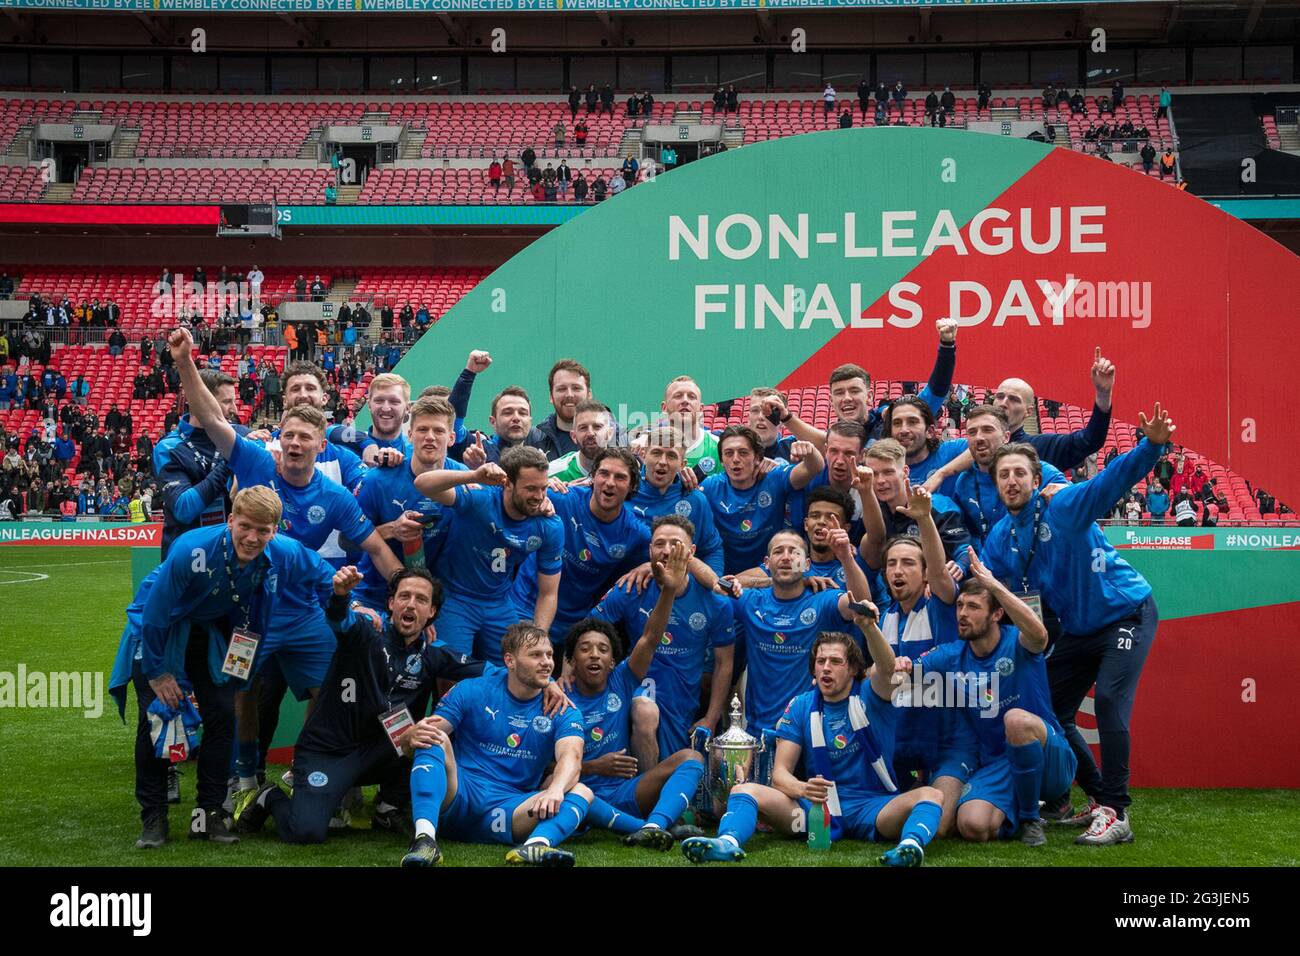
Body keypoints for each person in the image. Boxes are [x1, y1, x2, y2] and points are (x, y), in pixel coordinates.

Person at [235, 566, 544, 844]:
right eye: (404, 596)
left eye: (421, 600)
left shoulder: (433, 654)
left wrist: (548, 680)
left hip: (381, 751)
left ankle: (388, 807)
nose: (411, 604)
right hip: (330, 751)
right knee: (306, 832)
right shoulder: (366, 633)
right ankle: (270, 797)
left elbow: (495, 670)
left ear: (432, 611)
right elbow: (340, 621)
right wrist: (341, 595)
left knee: (426, 734)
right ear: (391, 604)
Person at [981, 403, 1174, 845]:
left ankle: (1118, 813)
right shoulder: (1001, 537)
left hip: (1126, 613)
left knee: (1107, 700)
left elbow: (1112, 481)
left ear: (1036, 480)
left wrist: (1152, 445)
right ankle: (1098, 800)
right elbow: (985, 583)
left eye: (1019, 474)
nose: (1011, 481)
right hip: (1079, 631)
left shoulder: (1064, 505)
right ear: (996, 485)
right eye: (1003, 475)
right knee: (1050, 706)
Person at [107, 486, 332, 849]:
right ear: (230, 520)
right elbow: (155, 614)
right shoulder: (190, 549)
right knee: (158, 718)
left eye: (264, 530)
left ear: (276, 530)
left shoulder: (281, 553)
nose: (253, 537)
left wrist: (350, 602)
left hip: (211, 637)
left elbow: (309, 585)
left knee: (223, 714)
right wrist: (158, 672)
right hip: (160, 634)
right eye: (245, 526)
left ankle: (208, 813)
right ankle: (153, 816)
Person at [681, 624, 943, 867]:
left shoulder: (872, 695)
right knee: (744, 790)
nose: (826, 668)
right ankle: (727, 842)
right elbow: (780, 773)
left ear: (853, 669)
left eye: (836, 662)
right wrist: (803, 788)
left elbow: (886, 669)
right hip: (818, 810)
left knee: (932, 795)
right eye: (821, 661)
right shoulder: (801, 705)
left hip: (872, 807)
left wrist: (867, 625)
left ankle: (909, 848)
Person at [400, 622, 590, 867]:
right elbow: (419, 741)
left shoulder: (562, 708)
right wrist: (408, 738)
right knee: (432, 735)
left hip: (511, 810)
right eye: (535, 655)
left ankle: (535, 846)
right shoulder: (471, 689)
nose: (546, 662)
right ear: (510, 661)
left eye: (549, 655)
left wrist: (555, 790)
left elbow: (572, 758)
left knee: (581, 790)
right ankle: (425, 840)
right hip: (458, 797)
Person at [561, 543, 711, 849]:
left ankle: (654, 825)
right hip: (576, 792)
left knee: (692, 758)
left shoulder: (622, 680)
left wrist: (668, 590)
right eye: (585, 649)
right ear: (572, 660)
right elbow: (539, 771)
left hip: (625, 793)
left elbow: (650, 637)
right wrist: (594, 766)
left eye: (603, 650)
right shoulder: (556, 696)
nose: (594, 656)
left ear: (613, 661)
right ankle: (659, 825)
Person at [917, 563, 1075, 846]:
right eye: (960, 606)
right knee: (972, 826)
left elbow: (1040, 636)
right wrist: (899, 665)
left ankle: (1029, 819)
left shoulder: (1018, 642)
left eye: (974, 607)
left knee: (1015, 720)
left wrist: (994, 585)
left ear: (997, 613)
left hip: (1050, 756)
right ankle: (1013, 808)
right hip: (998, 764)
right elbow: (900, 674)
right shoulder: (952, 656)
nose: (963, 614)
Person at [591, 513, 734, 765]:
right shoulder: (632, 587)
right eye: (659, 544)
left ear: (691, 552)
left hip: (682, 696)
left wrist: (711, 718)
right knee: (644, 713)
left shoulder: (716, 602)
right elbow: (587, 630)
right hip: (634, 685)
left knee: (679, 764)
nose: (666, 551)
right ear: (649, 550)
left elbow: (724, 663)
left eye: (675, 544)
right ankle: (642, 792)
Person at [413, 446, 564, 662]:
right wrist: (473, 475)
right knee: (451, 672)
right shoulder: (481, 499)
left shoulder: (549, 526)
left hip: (499, 603)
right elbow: (422, 484)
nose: (539, 497)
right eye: (531, 489)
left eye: (543, 488)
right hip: (456, 598)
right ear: (508, 483)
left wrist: (539, 634)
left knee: (517, 667)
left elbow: (549, 593)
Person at [734, 526, 873, 742]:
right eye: (779, 551)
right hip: (759, 733)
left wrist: (845, 557)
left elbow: (862, 606)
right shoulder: (751, 601)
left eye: (795, 552)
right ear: (767, 563)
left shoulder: (823, 601)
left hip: (812, 731)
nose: (787, 557)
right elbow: (719, 584)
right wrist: (768, 581)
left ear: (807, 564)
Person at [513, 447, 649, 646]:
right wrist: (540, 491)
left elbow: (668, 558)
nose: (610, 483)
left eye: (620, 477)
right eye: (604, 474)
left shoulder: (636, 533)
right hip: (525, 606)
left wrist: (649, 566)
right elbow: (508, 499)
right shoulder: (561, 499)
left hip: (575, 627)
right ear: (592, 477)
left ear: (632, 485)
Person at [701, 425, 824, 575]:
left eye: (743, 453)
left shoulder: (774, 478)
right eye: (728, 453)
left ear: (758, 457)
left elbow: (815, 467)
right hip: (725, 577)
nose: (735, 459)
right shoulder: (710, 486)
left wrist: (810, 451)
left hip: (769, 575)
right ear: (721, 461)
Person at [153, 368, 247, 558]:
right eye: (227, 402)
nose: (234, 410)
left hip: (233, 559)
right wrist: (233, 457)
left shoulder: (243, 435)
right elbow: (184, 509)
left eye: (234, 401)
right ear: (200, 401)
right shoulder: (169, 448)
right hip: (186, 563)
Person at [948, 405, 1068, 550]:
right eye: (972, 432)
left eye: (987, 430)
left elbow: (1073, 501)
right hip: (991, 564)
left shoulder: (1038, 471)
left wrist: (1065, 489)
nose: (979, 437)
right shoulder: (964, 482)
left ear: (1006, 437)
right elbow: (967, 533)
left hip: (1035, 564)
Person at [627, 425, 725, 575]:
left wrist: (710, 589)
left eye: (671, 456)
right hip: (630, 586)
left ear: (682, 464)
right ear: (644, 455)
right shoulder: (625, 491)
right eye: (656, 453)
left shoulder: (695, 499)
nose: (663, 461)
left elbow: (712, 550)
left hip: (679, 588)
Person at [547, 400, 615, 482]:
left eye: (597, 427)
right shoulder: (552, 474)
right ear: (574, 436)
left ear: (610, 434)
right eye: (583, 428)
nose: (590, 433)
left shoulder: (626, 471)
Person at [536, 358, 590, 459]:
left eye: (576, 388)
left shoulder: (615, 439)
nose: (569, 395)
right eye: (561, 389)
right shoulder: (533, 440)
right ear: (551, 397)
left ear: (589, 395)